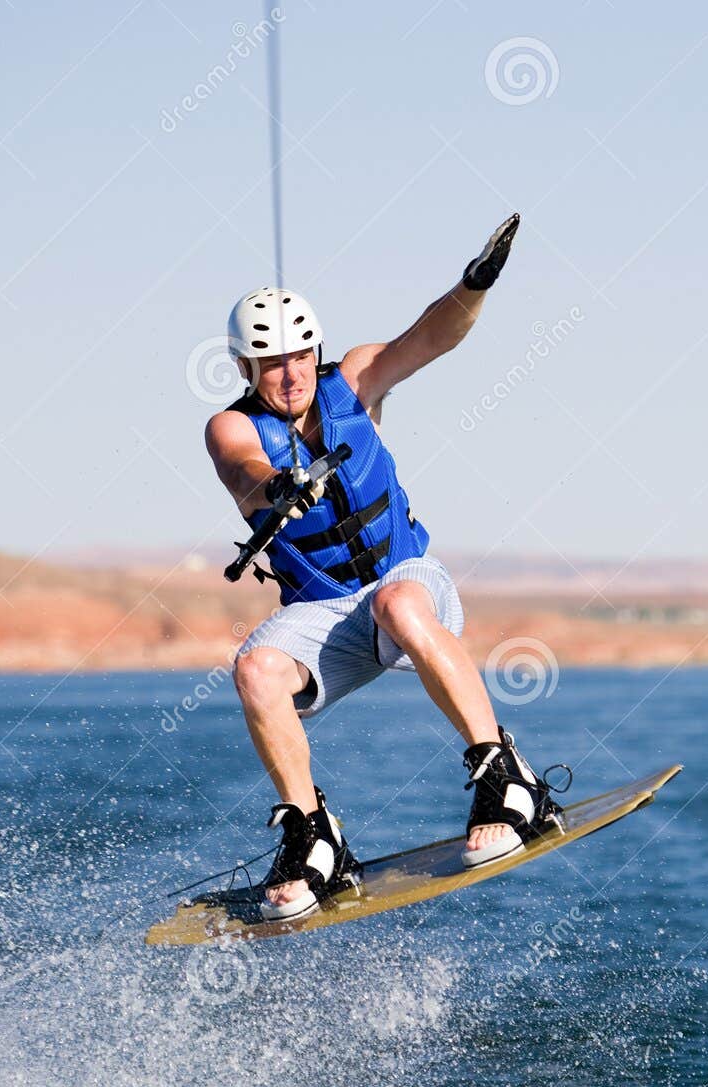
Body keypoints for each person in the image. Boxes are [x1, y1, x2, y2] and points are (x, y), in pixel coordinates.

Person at [204, 213, 561, 920]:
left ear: (316, 350)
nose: (290, 374)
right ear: (244, 367)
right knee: (255, 670)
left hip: (407, 581)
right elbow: (243, 469)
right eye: (271, 363)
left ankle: (505, 777)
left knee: (397, 603)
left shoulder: (357, 377)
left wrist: (474, 285)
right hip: (323, 613)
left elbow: (432, 336)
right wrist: (279, 485)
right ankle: (313, 839)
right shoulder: (232, 426)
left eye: (300, 355)